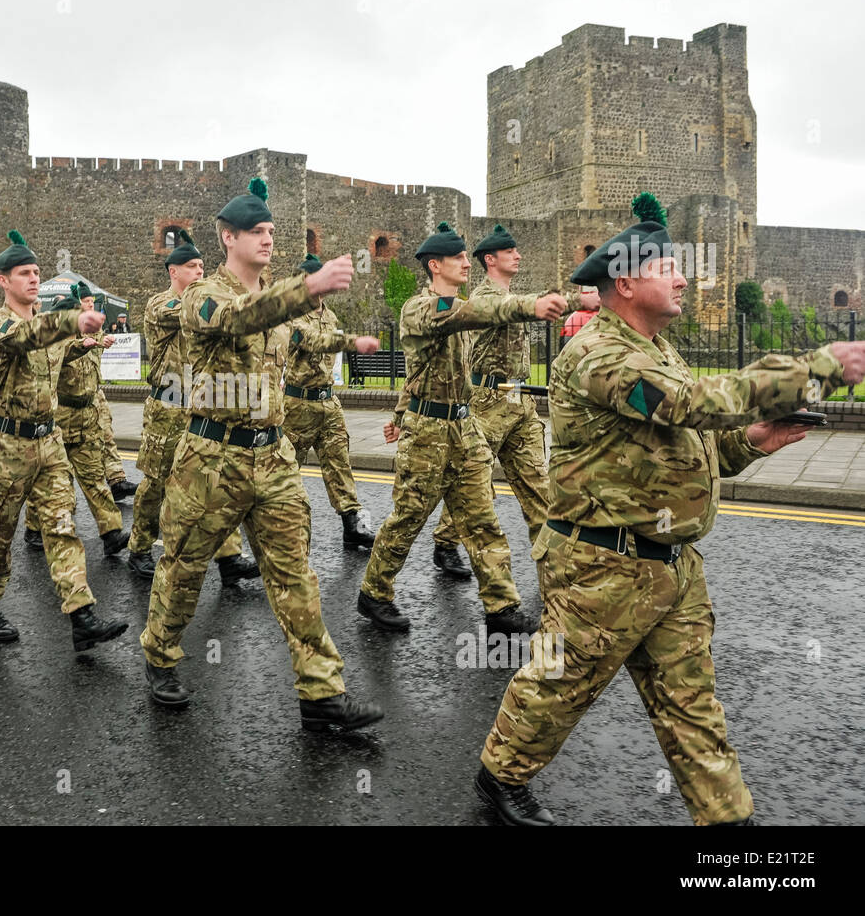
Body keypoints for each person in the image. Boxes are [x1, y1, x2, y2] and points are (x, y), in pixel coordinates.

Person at [474, 192, 865, 826]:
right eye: (667, 268)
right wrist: (812, 368)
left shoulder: (658, 349)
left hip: (672, 569)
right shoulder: (596, 354)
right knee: (554, 689)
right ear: (625, 281)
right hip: (600, 569)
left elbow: (690, 444)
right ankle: (500, 776)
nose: (684, 278)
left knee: (693, 708)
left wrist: (752, 442)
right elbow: (685, 405)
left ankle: (729, 825)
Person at [138, 178, 382, 731]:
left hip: (273, 457)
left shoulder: (274, 297)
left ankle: (322, 693)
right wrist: (310, 287)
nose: (268, 239)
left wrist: (350, 343)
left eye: (272, 230)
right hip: (211, 459)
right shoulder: (202, 296)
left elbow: (298, 336)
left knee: (295, 573)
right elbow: (237, 318)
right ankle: (160, 654)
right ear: (228, 237)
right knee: (182, 568)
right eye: (256, 231)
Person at [357, 223, 566, 635]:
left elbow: (419, 375)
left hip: (463, 427)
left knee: (482, 517)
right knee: (408, 517)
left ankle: (501, 608)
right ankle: (374, 593)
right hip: (428, 434)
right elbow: (477, 312)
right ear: (435, 266)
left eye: (468, 257)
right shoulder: (421, 309)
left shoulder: (457, 308)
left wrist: (396, 414)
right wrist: (530, 306)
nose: (468, 263)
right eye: (459, 259)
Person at [0, 229, 129, 650]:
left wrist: (85, 341)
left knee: (62, 526)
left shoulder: (49, 329)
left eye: (37, 272)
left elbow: (59, 351)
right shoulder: (0, 327)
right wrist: (71, 320)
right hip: (7, 447)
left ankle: (82, 615)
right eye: (24, 273)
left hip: (49, 441)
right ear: (3, 281)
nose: (34, 278)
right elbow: (31, 337)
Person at [428, 225, 601, 575]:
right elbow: (511, 309)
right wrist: (575, 301)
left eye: (517, 251)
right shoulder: (483, 298)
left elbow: (523, 305)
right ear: (490, 259)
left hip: (519, 403)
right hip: (488, 403)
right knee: (473, 480)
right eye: (510, 252)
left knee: (537, 484)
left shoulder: (509, 296)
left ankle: (554, 562)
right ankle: (446, 541)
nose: (518, 256)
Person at [125, 229, 259, 584]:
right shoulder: (161, 305)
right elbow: (193, 310)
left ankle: (229, 557)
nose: (199, 272)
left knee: (214, 482)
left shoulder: (206, 304)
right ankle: (139, 547)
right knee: (157, 480)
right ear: (174, 272)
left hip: (202, 408)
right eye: (191, 267)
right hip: (167, 407)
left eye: (202, 266)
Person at [282, 253, 382, 549]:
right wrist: (353, 342)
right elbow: (312, 341)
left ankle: (351, 523)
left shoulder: (330, 315)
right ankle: (273, 524)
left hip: (328, 402)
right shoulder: (292, 315)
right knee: (287, 469)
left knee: (339, 463)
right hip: (298, 405)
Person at [52, 282, 131, 556]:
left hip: (86, 420)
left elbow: (91, 346)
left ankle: (111, 533)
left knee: (95, 479)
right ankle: (34, 528)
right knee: (58, 486)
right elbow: (68, 351)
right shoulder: (55, 346)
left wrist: (101, 342)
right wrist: (85, 344)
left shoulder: (89, 341)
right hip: (60, 423)